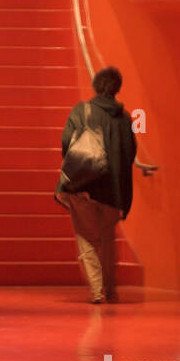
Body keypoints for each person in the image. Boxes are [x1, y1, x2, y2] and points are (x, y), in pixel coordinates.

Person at [55, 66, 137, 304]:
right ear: (117, 88)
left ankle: (98, 291)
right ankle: (110, 288)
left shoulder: (83, 110)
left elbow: (66, 142)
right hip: (114, 192)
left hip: (85, 187)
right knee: (107, 238)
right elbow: (130, 152)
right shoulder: (125, 118)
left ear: (96, 85)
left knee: (87, 237)